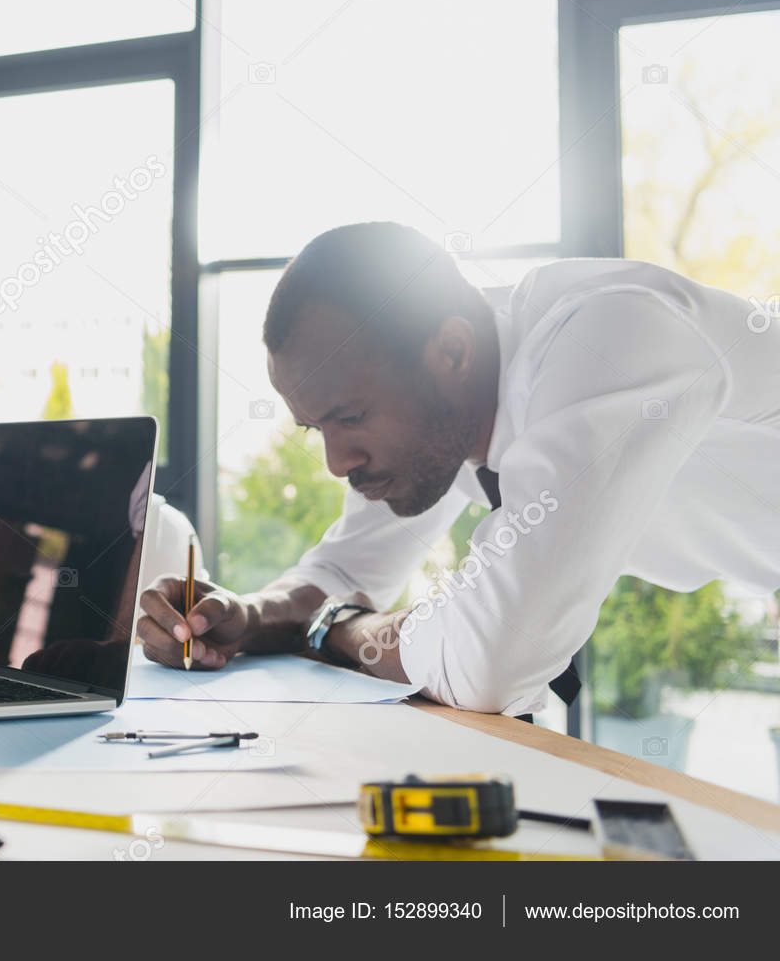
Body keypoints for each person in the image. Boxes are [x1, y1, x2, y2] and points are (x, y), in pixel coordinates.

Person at [139, 222, 780, 715]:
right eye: (318, 429)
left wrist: (339, 630)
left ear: (451, 352)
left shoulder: (612, 337)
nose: (337, 462)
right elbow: (345, 572)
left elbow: (497, 656)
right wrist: (245, 618)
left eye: (350, 417)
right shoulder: (428, 410)